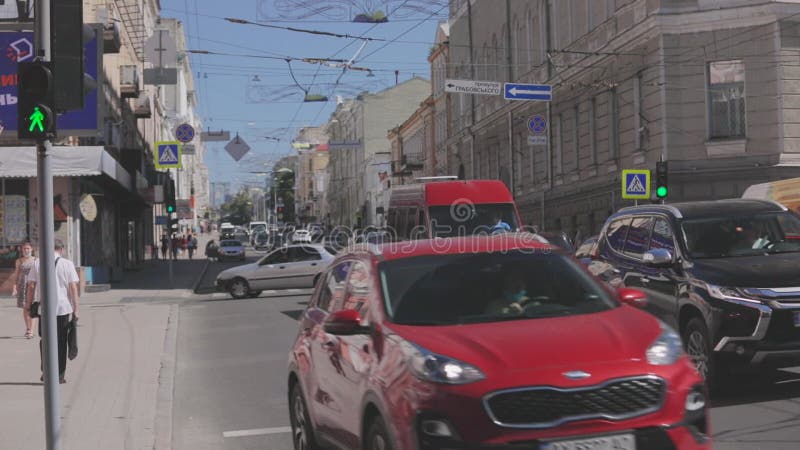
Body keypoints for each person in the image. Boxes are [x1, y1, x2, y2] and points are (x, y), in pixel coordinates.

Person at [25, 239, 79, 384]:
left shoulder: (37, 263)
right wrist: (76, 309)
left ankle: (46, 371)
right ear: (61, 249)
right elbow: (73, 287)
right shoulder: (67, 264)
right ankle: (59, 375)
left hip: (44, 310)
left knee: (45, 341)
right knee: (61, 342)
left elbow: (31, 286)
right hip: (62, 309)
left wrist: (28, 305)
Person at [11, 242, 37, 339]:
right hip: (22, 286)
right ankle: (28, 328)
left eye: (27, 248)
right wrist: (14, 287)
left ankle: (31, 330)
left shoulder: (36, 260)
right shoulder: (19, 261)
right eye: (24, 249)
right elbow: (16, 274)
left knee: (32, 307)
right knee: (25, 308)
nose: (26, 250)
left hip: (33, 286)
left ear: (31, 249)